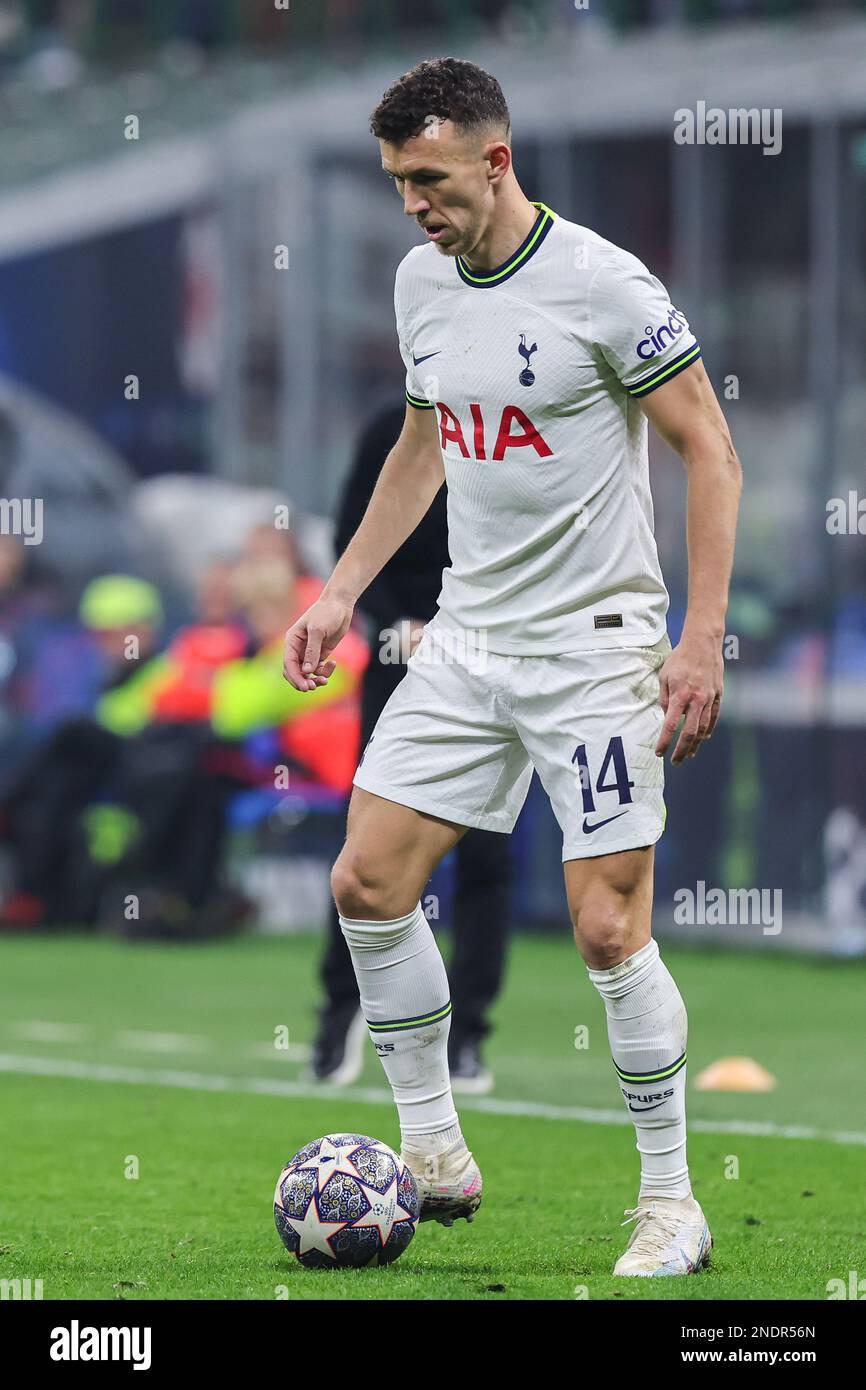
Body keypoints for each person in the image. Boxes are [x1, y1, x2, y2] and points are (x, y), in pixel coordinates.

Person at [283, 58, 741, 1277]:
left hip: (594, 656)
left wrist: (696, 637)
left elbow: (709, 449)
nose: (411, 204)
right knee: (367, 883)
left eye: (427, 178)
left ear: (494, 161)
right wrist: (338, 591)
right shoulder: (419, 282)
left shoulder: (602, 284)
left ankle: (670, 1205)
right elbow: (422, 448)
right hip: (466, 639)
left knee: (603, 927)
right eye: (395, 183)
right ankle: (430, 1148)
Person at [310, 402, 513, 1093]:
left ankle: (470, 1035)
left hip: (496, 657)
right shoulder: (387, 431)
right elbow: (354, 543)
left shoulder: (517, 429)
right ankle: (339, 1014)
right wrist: (401, 626)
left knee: (486, 849)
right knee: (365, 851)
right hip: (403, 661)